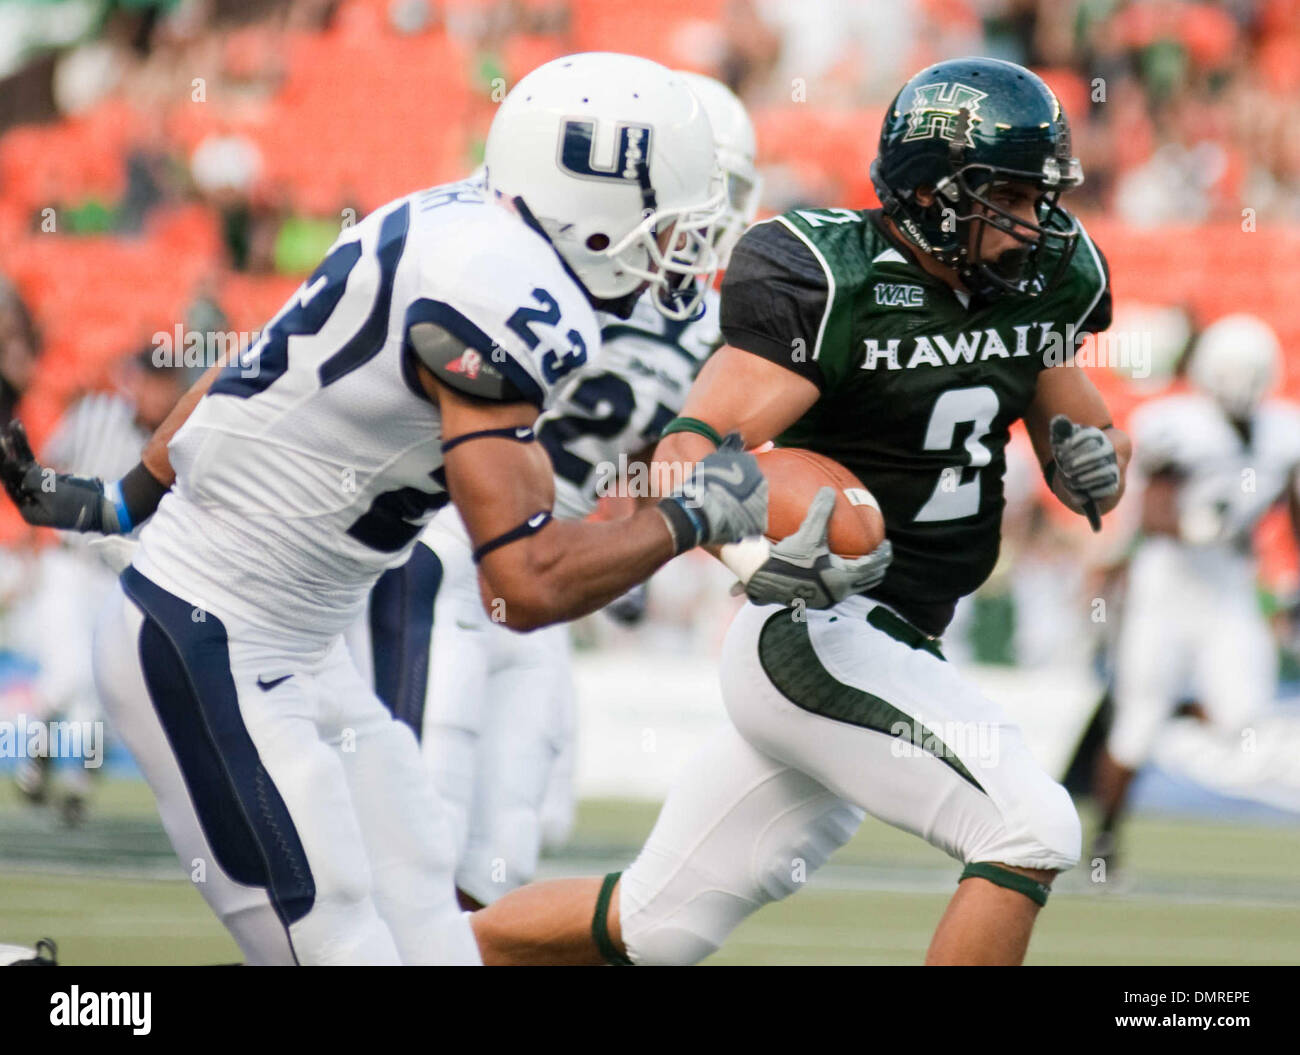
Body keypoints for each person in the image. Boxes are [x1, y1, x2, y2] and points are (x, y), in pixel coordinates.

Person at [0, 53, 771, 965]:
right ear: (592, 211)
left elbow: (255, 360)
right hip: (211, 640)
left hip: (303, 648)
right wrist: (689, 520)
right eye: (664, 226)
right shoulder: (507, 290)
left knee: (433, 938)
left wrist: (122, 498)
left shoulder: (450, 217)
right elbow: (523, 581)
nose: (674, 252)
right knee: (346, 952)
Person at [468, 57, 1130, 966]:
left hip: (905, 634)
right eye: (1007, 196)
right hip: (820, 621)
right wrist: (746, 560)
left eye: (1040, 196)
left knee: (658, 924)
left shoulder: (1041, 282)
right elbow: (685, 454)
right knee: (1031, 822)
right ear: (934, 190)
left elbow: (1079, 443)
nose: (1032, 223)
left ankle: (416, 953)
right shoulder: (831, 276)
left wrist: (1094, 464)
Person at [353, 72, 763, 910]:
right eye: (697, 199)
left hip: (549, 571)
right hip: (444, 545)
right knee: (417, 834)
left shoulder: (699, 326)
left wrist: (758, 554)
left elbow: (669, 466)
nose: (704, 226)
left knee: (507, 845)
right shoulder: (514, 266)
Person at [1092, 313, 1300, 870]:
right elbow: (1155, 513)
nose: (1242, 385)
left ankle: (1180, 709)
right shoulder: (1175, 421)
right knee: (1135, 723)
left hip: (1229, 584)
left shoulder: (1285, 428)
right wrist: (1193, 528)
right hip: (1167, 581)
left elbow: (1295, 508)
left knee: (1242, 714)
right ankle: (1106, 842)